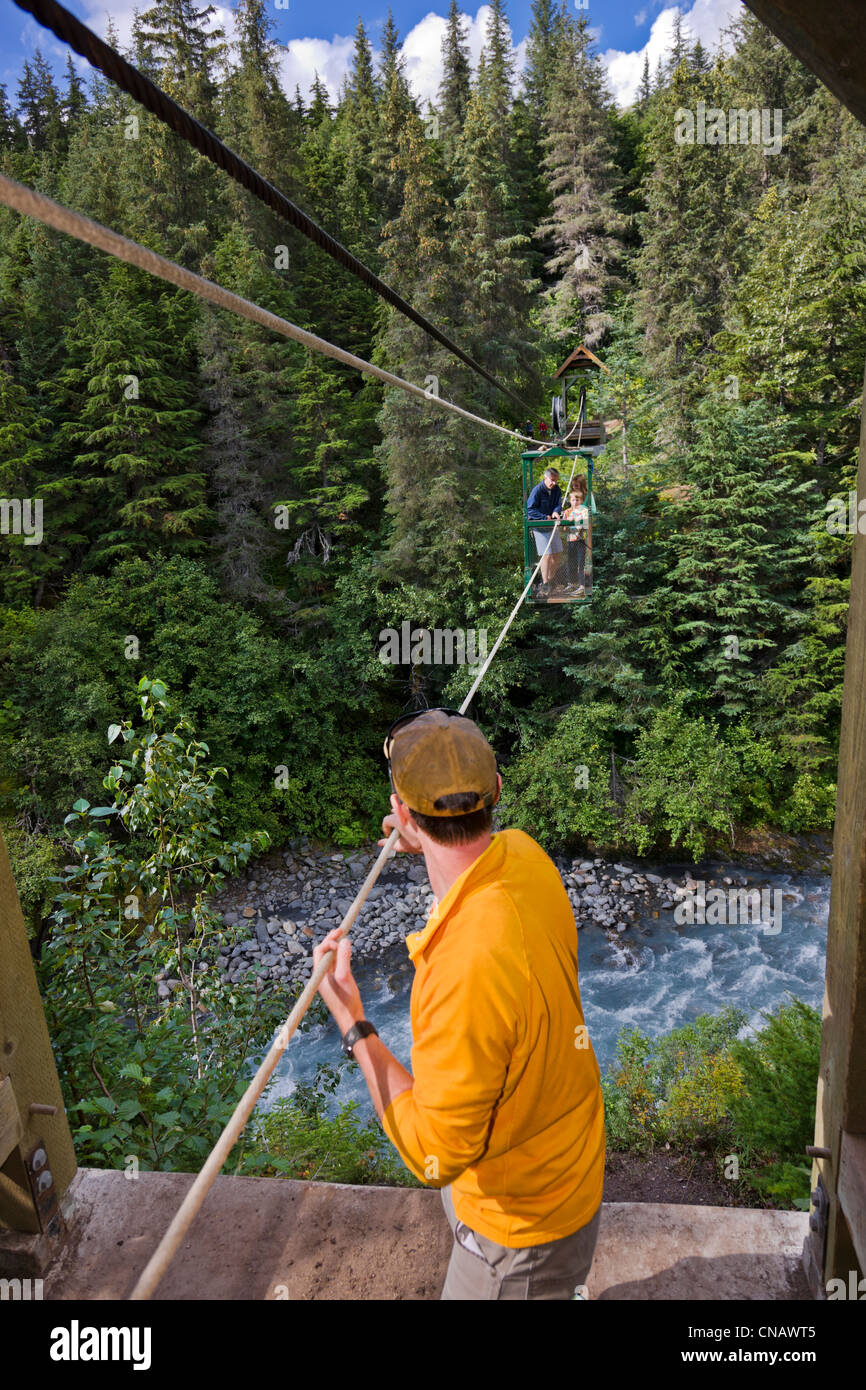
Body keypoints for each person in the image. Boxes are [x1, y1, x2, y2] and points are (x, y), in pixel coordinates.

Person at [313, 708, 605, 1300]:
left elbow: (436, 1156)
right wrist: (423, 843)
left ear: (401, 812)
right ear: (497, 792)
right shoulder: (527, 857)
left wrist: (353, 1021)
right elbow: (475, 885)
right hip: (565, 1166)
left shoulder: (459, 972)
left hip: (519, 1234)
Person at [526, 466, 563, 592]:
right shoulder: (537, 491)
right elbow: (530, 510)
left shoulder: (557, 490)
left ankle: (550, 579)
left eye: (556, 481)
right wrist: (544, 517)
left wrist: (555, 512)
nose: (554, 483)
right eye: (552, 480)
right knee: (546, 555)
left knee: (557, 553)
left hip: (552, 527)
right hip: (540, 528)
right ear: (545, 477)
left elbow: (558, 504)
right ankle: (545, 583)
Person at [562, 478, 589, 596]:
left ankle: (582, 585)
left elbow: (585, 523)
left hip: (581, 541)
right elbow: (564, 528)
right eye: (573, 500)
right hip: (571, 540)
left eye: (577, 499)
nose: (575, 502)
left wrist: (576, 520)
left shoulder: (583, 510)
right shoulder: (569, 512)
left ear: (581, 500)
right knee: (571, 562)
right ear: (570, 501)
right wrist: (567, 522)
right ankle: (571, 584)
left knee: (580, 563)